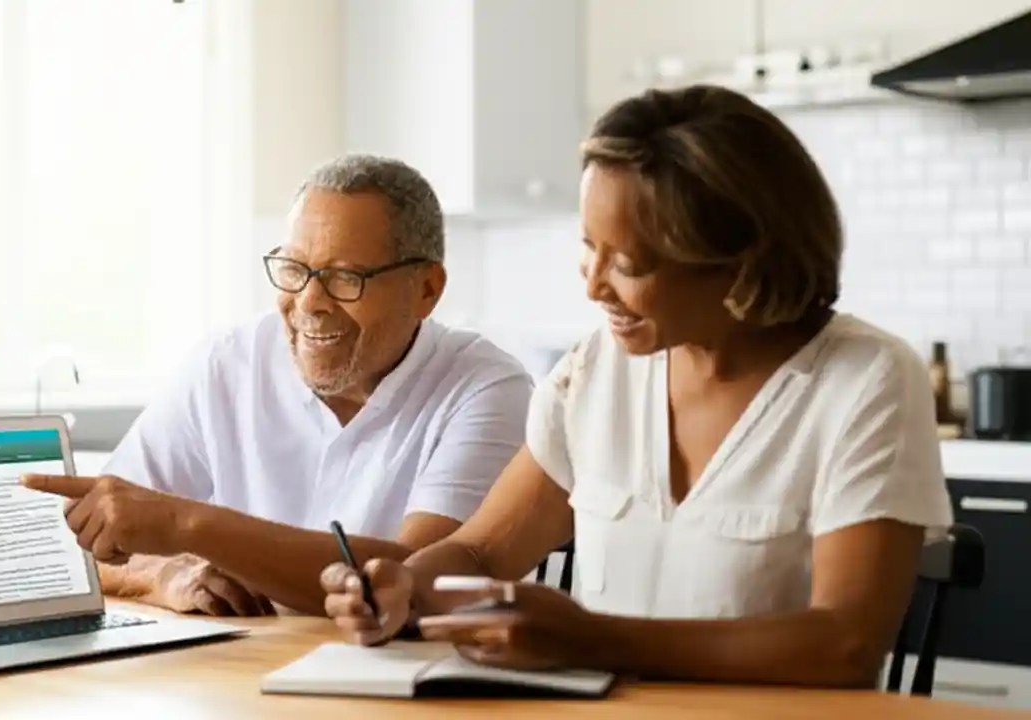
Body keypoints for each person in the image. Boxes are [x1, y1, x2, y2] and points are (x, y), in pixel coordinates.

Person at [319, 86, 954, 688]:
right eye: (588, 247)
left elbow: (845, 644)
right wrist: (402, 586)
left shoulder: (867, 381)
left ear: (741, 261)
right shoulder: (597, 370)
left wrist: (592, 639)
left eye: (627, 264)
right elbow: (482, 554)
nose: (593, 285)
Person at [22, 154, 532, 616]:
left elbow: (415, 578)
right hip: (242, 678)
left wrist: (187, 525)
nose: (309, 302)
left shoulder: (487, 387)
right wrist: (167, 575)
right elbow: (93, 538)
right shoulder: (225, 364)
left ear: (426, 290)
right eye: (294, 269)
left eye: (345, 277)